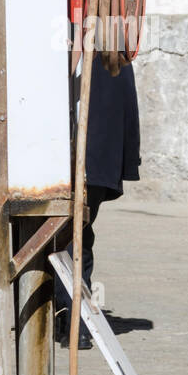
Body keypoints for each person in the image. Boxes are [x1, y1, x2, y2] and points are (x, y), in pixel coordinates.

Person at [54, 53, 141, 349]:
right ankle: (72, 318)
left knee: (69, 237)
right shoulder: (115, 44)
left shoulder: (89, 43)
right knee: (77, 236)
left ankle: (75, 321)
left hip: (83, 159)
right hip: (99, 161)